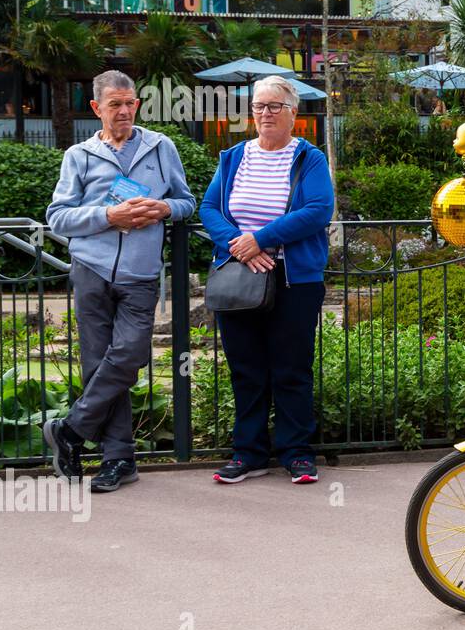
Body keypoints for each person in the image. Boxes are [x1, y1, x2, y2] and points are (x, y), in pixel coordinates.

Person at [42, 70, 196, 492]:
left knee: (128, 355)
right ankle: (119, 459)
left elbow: (187, 201)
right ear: (96, 109)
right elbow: (57, 217)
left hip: (141, 274)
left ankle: (70, 431)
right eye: (115, 104)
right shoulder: (79, 155)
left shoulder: (161, 147)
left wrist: (163, 208)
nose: (125, 111)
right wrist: (109, 216)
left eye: (130, 103)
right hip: (90, 269)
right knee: (97, 366)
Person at [199, 75, 334, 484]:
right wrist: (240, 247)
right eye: (259, 105)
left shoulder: (308, 158)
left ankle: (297, 453)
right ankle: (249, 453)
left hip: (294, 280)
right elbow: (209, 208)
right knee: (246, 368)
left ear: (294, 112)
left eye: (275, 105)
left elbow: (317, 209)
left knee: (292, 368)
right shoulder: (233, 157)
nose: (265, 112)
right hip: (241, 276)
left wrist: (261, 238)